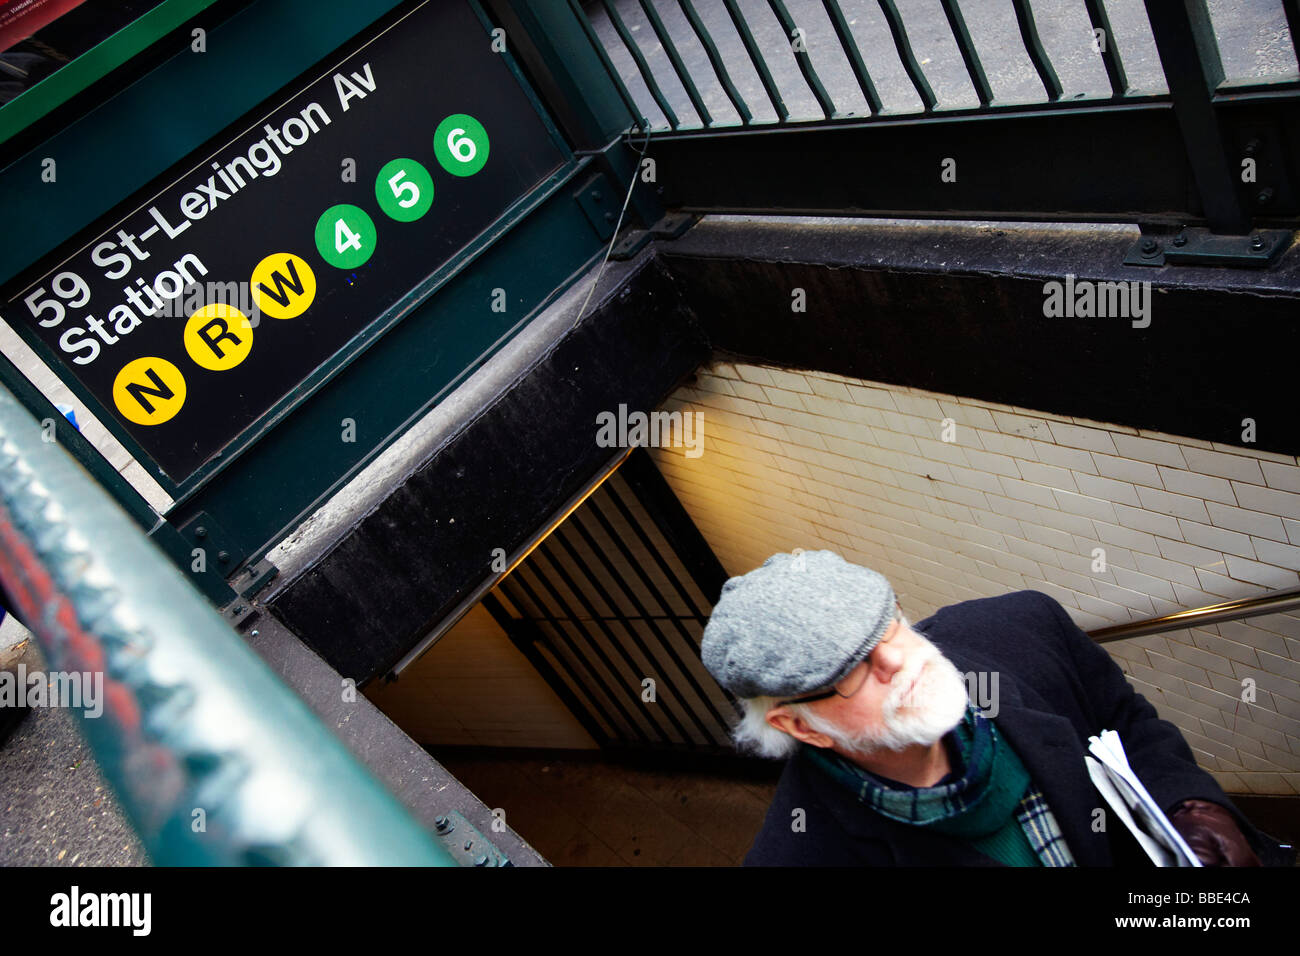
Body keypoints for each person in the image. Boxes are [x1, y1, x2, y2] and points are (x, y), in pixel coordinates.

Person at [700, 549, 1280, 866]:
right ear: (800, 725)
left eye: (890, 624)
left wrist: (1194, 806)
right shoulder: (803, 854)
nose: (901, 660)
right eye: (852, 671)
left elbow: (1126, 723)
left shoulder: (1024, 626)